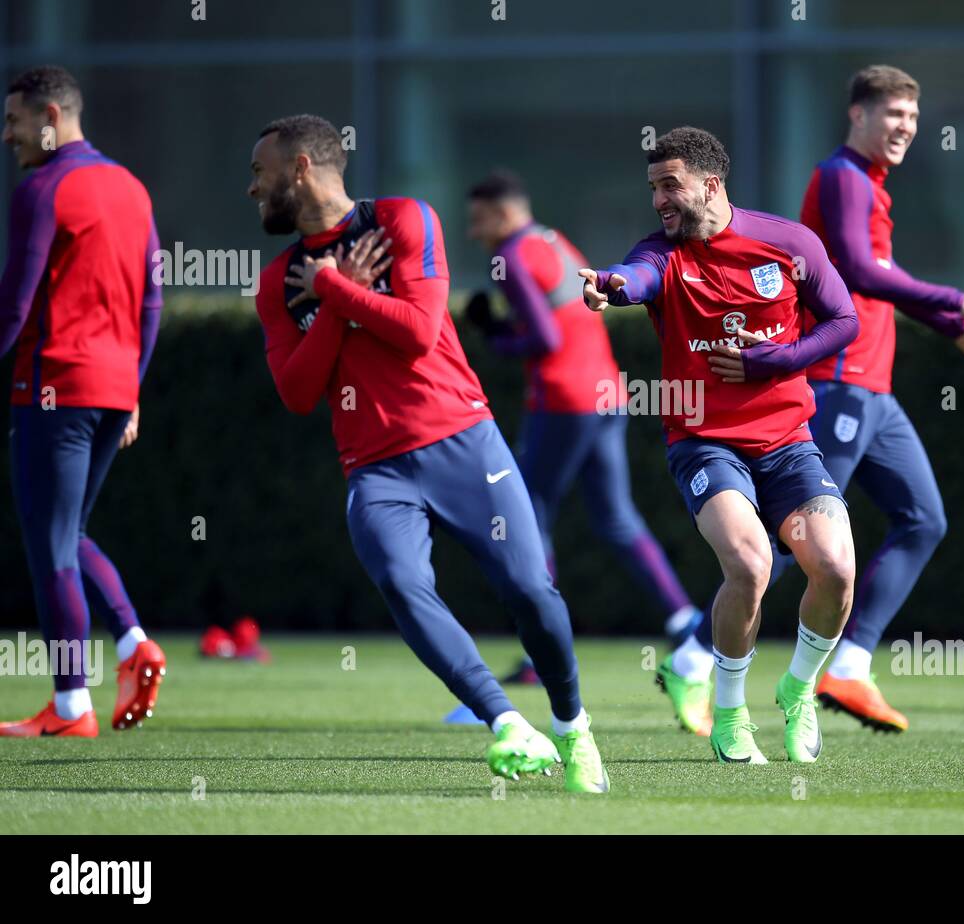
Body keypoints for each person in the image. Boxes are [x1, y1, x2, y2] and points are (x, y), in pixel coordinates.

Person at [248, 114, 608, 790]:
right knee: (403, 585)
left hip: (464, 443)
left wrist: (333, 289)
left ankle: (572, 724)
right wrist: (334, 300)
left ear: (300, 168)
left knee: (532, 593)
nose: (251, 189)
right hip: (374, 468)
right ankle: (505, 721)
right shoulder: (277, 283)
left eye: (258, 172)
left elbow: (417, 332)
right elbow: (297, 392)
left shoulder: (404, 219)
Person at [660, 65, 964, 735]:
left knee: (923, 519)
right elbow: (855, 269)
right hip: (835, 380)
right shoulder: (842, 177)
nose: (905, 127)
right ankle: (693, 660)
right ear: (858, 116)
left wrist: (949, 330)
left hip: (873, 388)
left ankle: (847, 664)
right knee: (796, 548)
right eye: (892, 115)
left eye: (912, 116)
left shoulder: (873, 185)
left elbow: (877, 284)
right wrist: (958, 302)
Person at [582, 126, 858, 764]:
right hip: (705, 444)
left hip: (789, 442)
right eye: (652, 187)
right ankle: (730, 712)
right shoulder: (662, 254)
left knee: (837, 570)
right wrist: (612, 286)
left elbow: (845, 319)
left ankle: (798, 691)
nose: (658, 200)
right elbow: (637, 277)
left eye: (669, 185)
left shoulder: (788, 243)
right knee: (750, 564)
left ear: (711, 183)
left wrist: (777, 360)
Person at [464, 170, 702, 686]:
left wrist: (496, 339)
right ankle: (687, 623)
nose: (473, 232)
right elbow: (565, 321)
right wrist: (509, 329)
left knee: (527, 515)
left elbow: (544, 339)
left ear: (504, 214)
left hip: (564, 400)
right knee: (617, 520)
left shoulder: (510, 257)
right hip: (605, 395)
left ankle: (540, 655)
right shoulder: (552, 240)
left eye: (478, 219)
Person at [0, 66, 166, 739]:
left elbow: (13, 305)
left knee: (52, 550)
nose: (6, 136)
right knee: (67, 535)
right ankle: (132, 644)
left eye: (12, 121)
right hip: (110, 390)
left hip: (53, 388)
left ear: (49, 114)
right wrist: (132, 394)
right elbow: (152, 301)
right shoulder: (130, 187)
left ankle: (72, 707)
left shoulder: (41, 187)